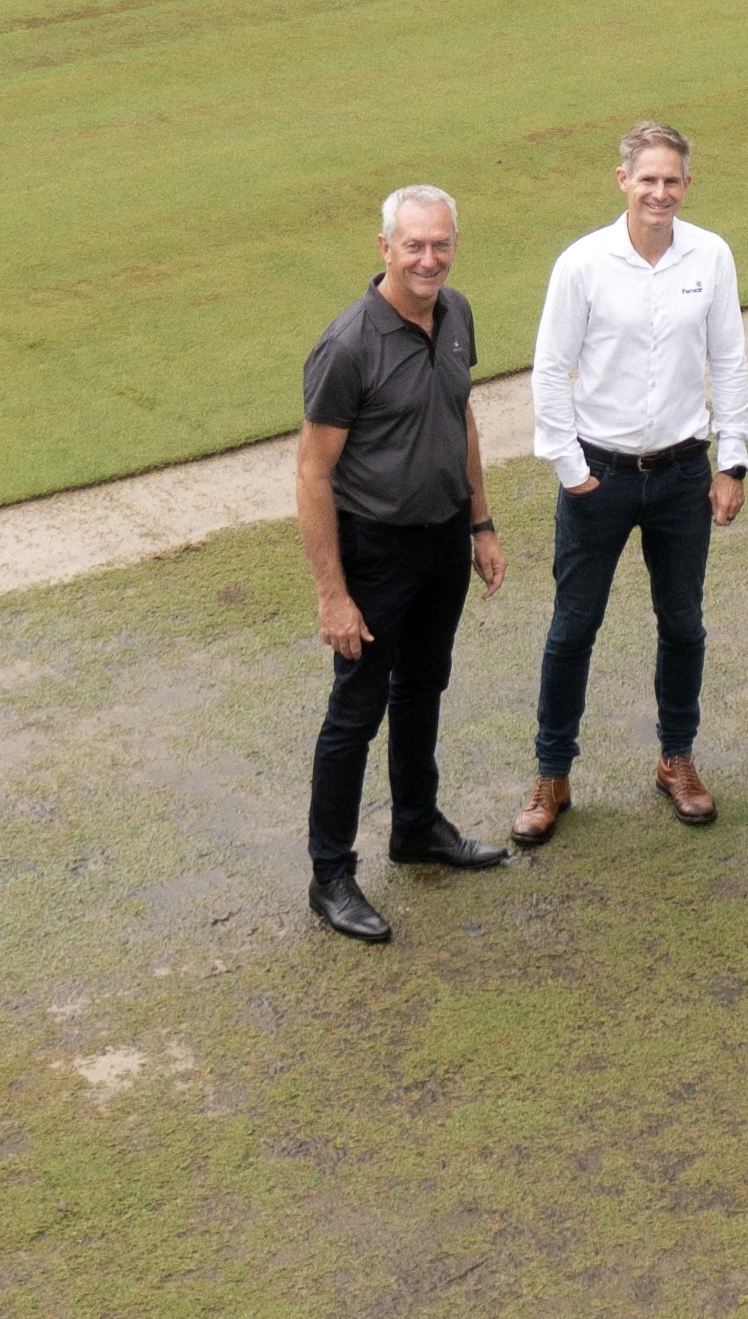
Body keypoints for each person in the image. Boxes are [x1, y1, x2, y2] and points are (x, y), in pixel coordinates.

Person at [519, 121, 748, 845]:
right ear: (623, 180)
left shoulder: (709, 256)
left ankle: (676, 758)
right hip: (600, 476)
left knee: (683, 624)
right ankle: (551, 773)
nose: (659, 192)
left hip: (682, 473)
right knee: (573, 628)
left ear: (686, 184)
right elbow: (550, 369)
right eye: (647, 179)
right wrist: (569, 467)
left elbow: (731, 359)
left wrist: (731, 460)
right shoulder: (583, 263)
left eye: (671, 180)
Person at [297, 182, 515, 942]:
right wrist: (332, 595)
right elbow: (312, 474)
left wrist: (481, 523)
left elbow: (461, 415)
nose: (430, 259)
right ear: (384, 248)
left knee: (425, 686)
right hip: (376, 549)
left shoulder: (456, 314)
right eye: (415, 245)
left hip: (442, 536)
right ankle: (331, 874)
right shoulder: (349, 345)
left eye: (442, 243)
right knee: (357, 710)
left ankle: (416, 826)